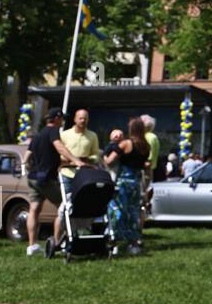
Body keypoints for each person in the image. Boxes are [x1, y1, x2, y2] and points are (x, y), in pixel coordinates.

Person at [21, 108, 69, 256]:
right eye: (62, 119)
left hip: (33, 178)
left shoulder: (38, 135)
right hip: (46, 178)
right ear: (56, 119)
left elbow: (26, 157)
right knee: (64, 206)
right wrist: (76, 161)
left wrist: (28, 168)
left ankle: (32, 246)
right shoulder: (53, 130)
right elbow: (59, 147)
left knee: (34, 209)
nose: (63, 122)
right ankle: (57, 243)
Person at [104, 116, 149, 255]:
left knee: (117, 210)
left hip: (122, 181)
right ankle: (133, 243)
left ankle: (114, 242)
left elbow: (110, 161)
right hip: (136, 183)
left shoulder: (125, 144)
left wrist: (104, 157)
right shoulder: (146, 145)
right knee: (133, 212)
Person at [56, 109, 101, 244]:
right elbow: (58, 154)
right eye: (81, 118)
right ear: (75, 119)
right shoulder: (64, 135)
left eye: (85, 118)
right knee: (65, 207)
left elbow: (96, 155)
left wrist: (86, 158)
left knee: (81, 206)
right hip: (67, 174)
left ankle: (76, 234)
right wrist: (70, 160)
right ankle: (60, 238)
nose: (83, 121)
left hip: (83, 176)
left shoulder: (92, 136)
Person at [141, 115, 164, 182]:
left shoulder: (148, 137)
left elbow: (149, 154)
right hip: (149, 167)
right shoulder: (152, 136)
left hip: (146, 167)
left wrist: (147, 162)